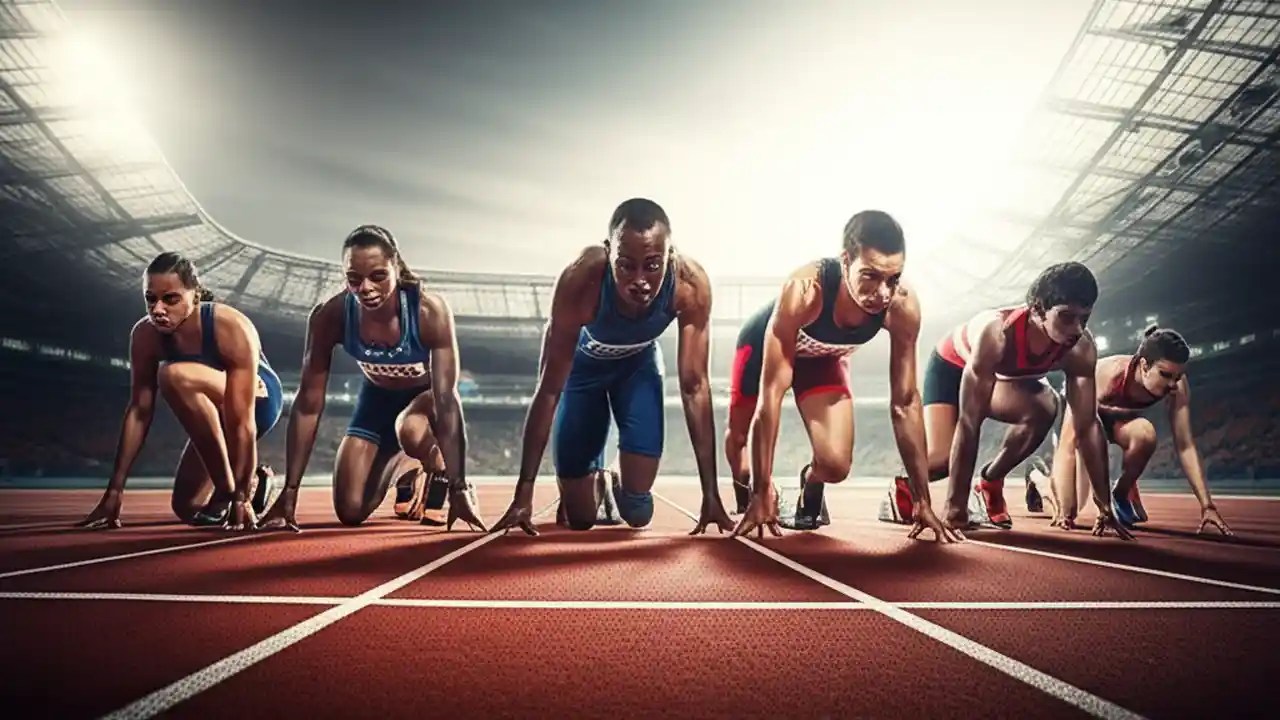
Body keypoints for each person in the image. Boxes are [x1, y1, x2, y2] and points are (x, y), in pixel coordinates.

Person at [489, 198, 732, 536]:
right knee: (580, 520)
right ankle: (591, 483)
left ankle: (616, 479)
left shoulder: (690, 285)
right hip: (581, 375)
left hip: (637, 369)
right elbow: (548, 390)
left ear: (670, 255)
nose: (640, 280)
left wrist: (711, 495)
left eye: (652, 265)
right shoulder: (580, 280)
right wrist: (523, 495)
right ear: (608, 253)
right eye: (625, 265)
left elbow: (695, 388)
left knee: (638, 512)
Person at [728, 210, 958, 542]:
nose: (882, 293)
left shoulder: (901, 307)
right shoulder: (805, 291)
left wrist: (923, 498)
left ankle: (811, 483)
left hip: (822, 358)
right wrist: (761, 487)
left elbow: (905, 403)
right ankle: (749, 494)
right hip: (762, 350)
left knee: (836, 465)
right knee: (740, 445)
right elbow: (771, 398)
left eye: (893, 278)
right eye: (870, 276)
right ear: (845, 260)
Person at [879, 261, 1132, 539]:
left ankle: (989, 481)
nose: (1076, 329)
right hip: (951, 366)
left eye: (1085, 318)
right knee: (942, 460)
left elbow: (1087, 425)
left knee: (1046, 406)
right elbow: (969, 424)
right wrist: (955, 509)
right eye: (1066, 317)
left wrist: (1104, 504)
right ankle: (904, 485)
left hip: (1003, 375)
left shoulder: (1081, 348)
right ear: (1036, 309)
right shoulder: (997, 334)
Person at [257, 225, 483, 532]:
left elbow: (447, 401)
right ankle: (407, 467)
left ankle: (428, 458)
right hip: (376, 402)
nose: (365, 288)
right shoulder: (330, 316)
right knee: (350, 511)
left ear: (395, 267)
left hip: (424, 404)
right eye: (354, 279)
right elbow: (309, 405)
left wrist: (459, 488)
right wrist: (289, 492)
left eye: (377, 276)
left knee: (410, 426)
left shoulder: (428, 312)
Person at [77, 252, 284, 530]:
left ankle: (234, 488)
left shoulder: (230, 325)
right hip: (209, 402)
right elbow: (139, 411)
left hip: (258, 401)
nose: (158, 309)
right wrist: (114, 491)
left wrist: (240, 497)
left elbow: (242, 422)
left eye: (170, 299)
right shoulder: (144, 336)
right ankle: (256, 481)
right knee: (187, 508)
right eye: (150, 299)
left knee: (173, 375)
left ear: (195, 294)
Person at [1047, 324, 1232, 535]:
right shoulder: (1106, 375)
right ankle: (1037, 479)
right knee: (1072, 508)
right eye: (1165, 375)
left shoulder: (1177, 386)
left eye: (1178, 377)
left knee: (1145, 434)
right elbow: (1068, 445)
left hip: (1116, 422)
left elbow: (1185, 445)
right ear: (1144, 365)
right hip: (1080, 422)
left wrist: (1207, 506)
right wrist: (1065, 511)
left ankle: (1122, 492)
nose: (1173, 384)